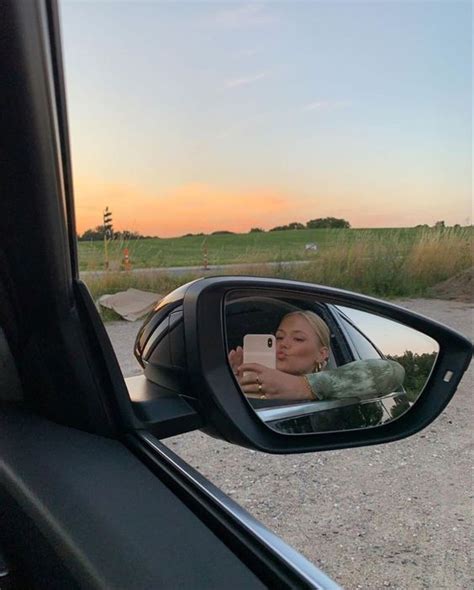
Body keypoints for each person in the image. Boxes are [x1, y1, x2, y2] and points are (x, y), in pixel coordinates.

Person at [228, 310, 405, 402]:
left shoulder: (336, 389)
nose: (283, 343)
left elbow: (392, 371)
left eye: (298, 338)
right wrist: (233, 382)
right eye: (279, 337)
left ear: (322, 355)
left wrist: (302, 386)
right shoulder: (251, 381)